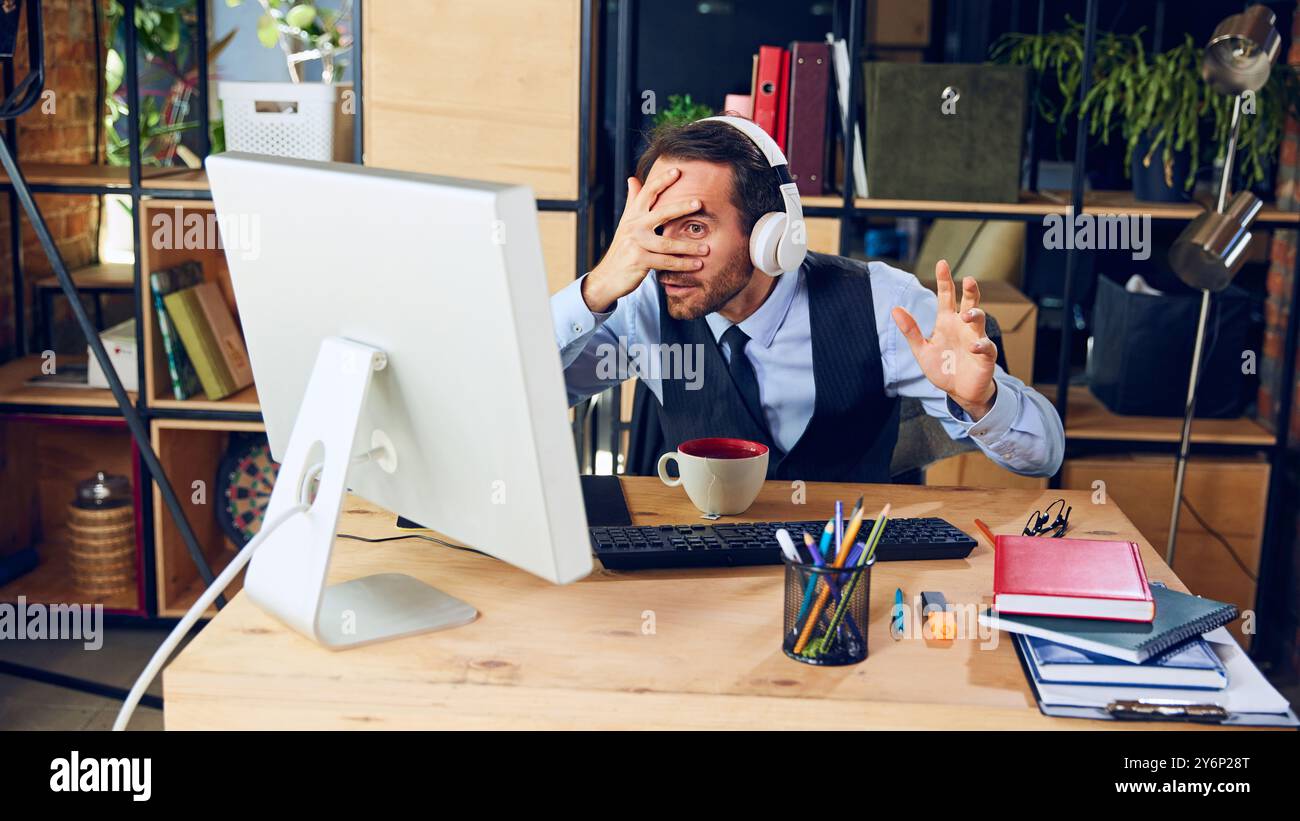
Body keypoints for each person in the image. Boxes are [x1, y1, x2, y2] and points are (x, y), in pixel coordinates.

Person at [551, 119, 1063, 482]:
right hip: (697, 577)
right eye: (656, 227)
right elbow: (515, 395)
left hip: (843, 573)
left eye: (694, 227)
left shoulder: (883, 304)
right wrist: (593, 291)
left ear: (770, 235)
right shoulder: (642, 305)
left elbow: (1044, 454)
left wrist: (982, 402)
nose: (669, 252)